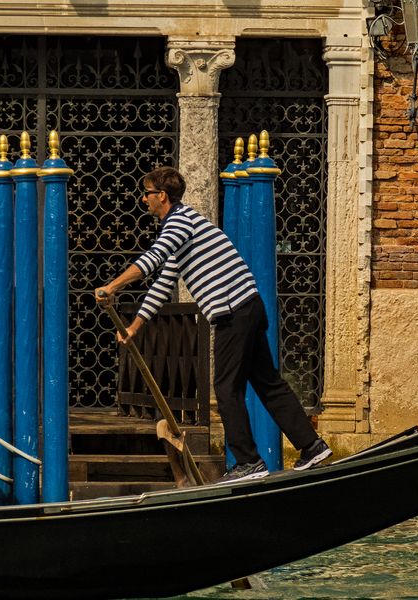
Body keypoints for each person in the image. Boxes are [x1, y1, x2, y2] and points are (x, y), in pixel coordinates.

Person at [95, 166, 331, 483]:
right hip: (247, 307)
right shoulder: (182, 228)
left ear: (161, 196)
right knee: (267, 382)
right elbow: (163, 284)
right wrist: (136, 326)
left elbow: (152, 259)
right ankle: (311, 445)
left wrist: (113, 286)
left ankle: (248, 462)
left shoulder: (179, 222)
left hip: (233, 311)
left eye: (147, 193)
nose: (144, 199)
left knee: (225, 387)